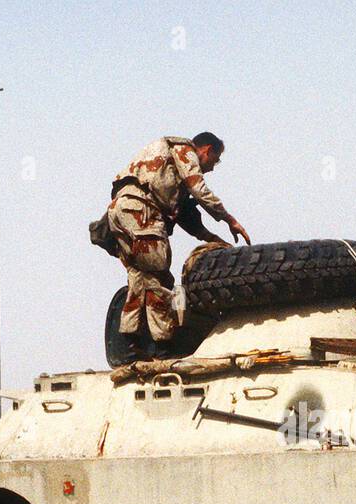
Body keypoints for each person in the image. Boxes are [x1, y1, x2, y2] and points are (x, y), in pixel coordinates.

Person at [107, 132, 250, 360]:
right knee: (160, 278)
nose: (213, 167)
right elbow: (199, 190)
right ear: (206, 150)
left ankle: (131, 343)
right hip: (142, 212)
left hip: (122, 212)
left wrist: (210, 237)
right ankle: (163, 346)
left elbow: (184, 214)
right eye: (216, 159)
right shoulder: (186, 151)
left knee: (140, 278)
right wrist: (230, 220)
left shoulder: (169, 167)